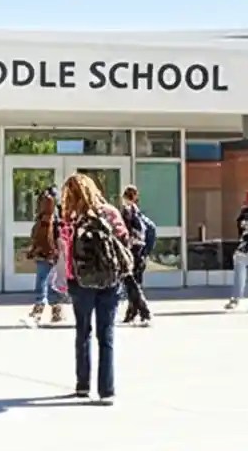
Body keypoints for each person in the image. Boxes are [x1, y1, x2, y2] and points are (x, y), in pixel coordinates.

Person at [59, 173, 133, 405]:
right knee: (106, 334)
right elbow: (124, 238)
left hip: (80, 282)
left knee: (83, 332)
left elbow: (65, 251)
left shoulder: (69, 218)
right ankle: (106, 390)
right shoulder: (110, 212)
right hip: (109, 280)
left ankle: (83, 385)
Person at [25, 186, 67, 325]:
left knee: (43, 280)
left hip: (46, 253)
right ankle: (56, 310)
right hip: (54, 253)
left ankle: (40, 308)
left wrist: (34, 249)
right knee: (52, 281)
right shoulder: (58, 218)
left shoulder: (46, 218)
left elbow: (40, 236)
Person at [119, 185, 155, 325]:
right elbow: (151, 230)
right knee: (135, 283)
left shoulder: (127, 211)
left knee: (131, 283)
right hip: (140, 252)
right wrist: (146, 251)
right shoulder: (139, 214)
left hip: (131, 251)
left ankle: (144, 312)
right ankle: (132, 313)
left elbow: (123, 231)